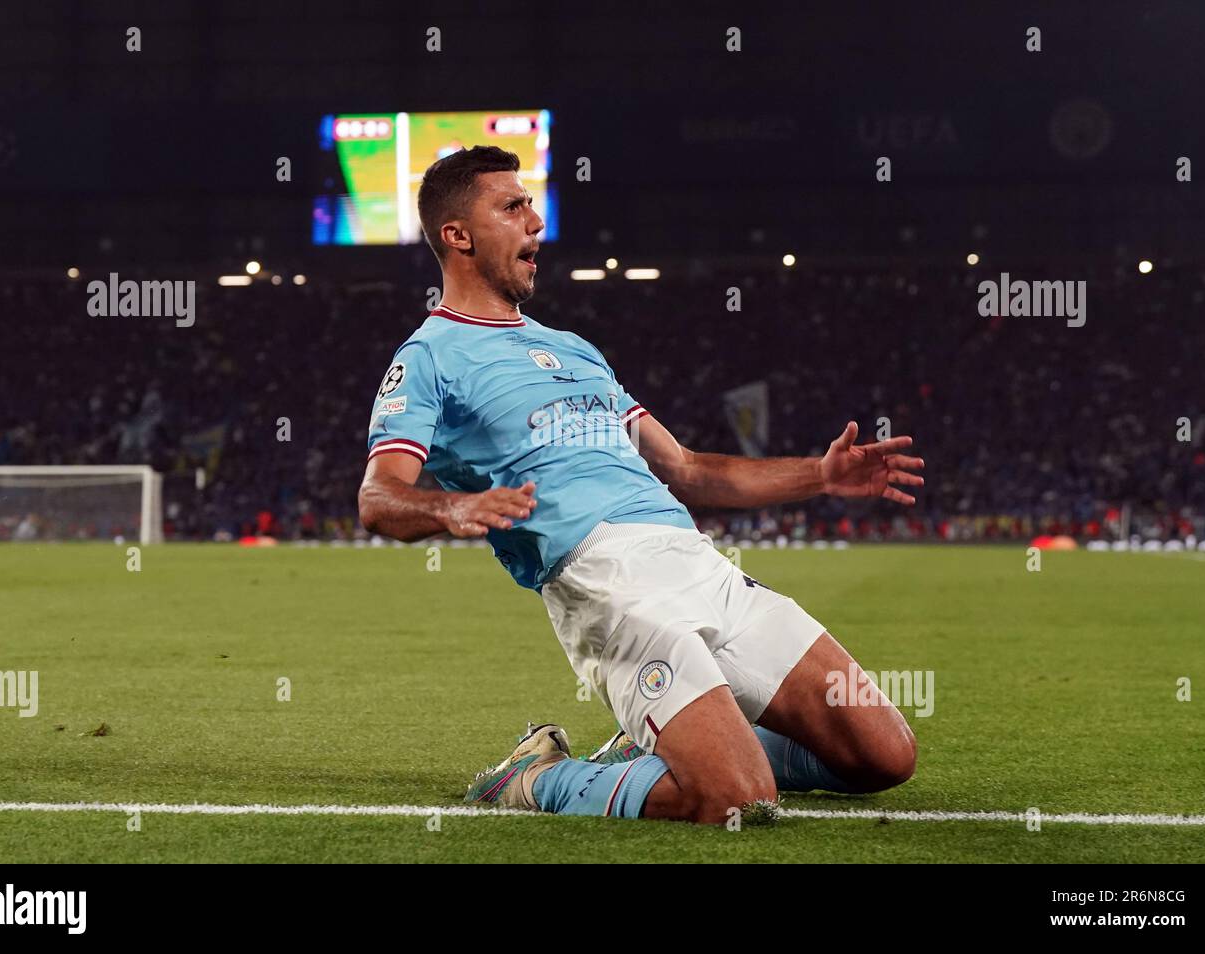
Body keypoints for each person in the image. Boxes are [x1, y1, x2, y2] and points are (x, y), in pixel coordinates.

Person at [357, 145, 924, 823]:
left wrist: (820, 476)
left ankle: (674, 745)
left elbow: (685, 468)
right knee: (741, 801)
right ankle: (535, 777)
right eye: (512, 207)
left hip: (700, 567)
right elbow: (378, 498)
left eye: (531, 204)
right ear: (457, 235)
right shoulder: (429, 357)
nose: (536, 222)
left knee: (886, 756)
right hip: (606, 586)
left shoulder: (575, 350)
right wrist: (456, 506)